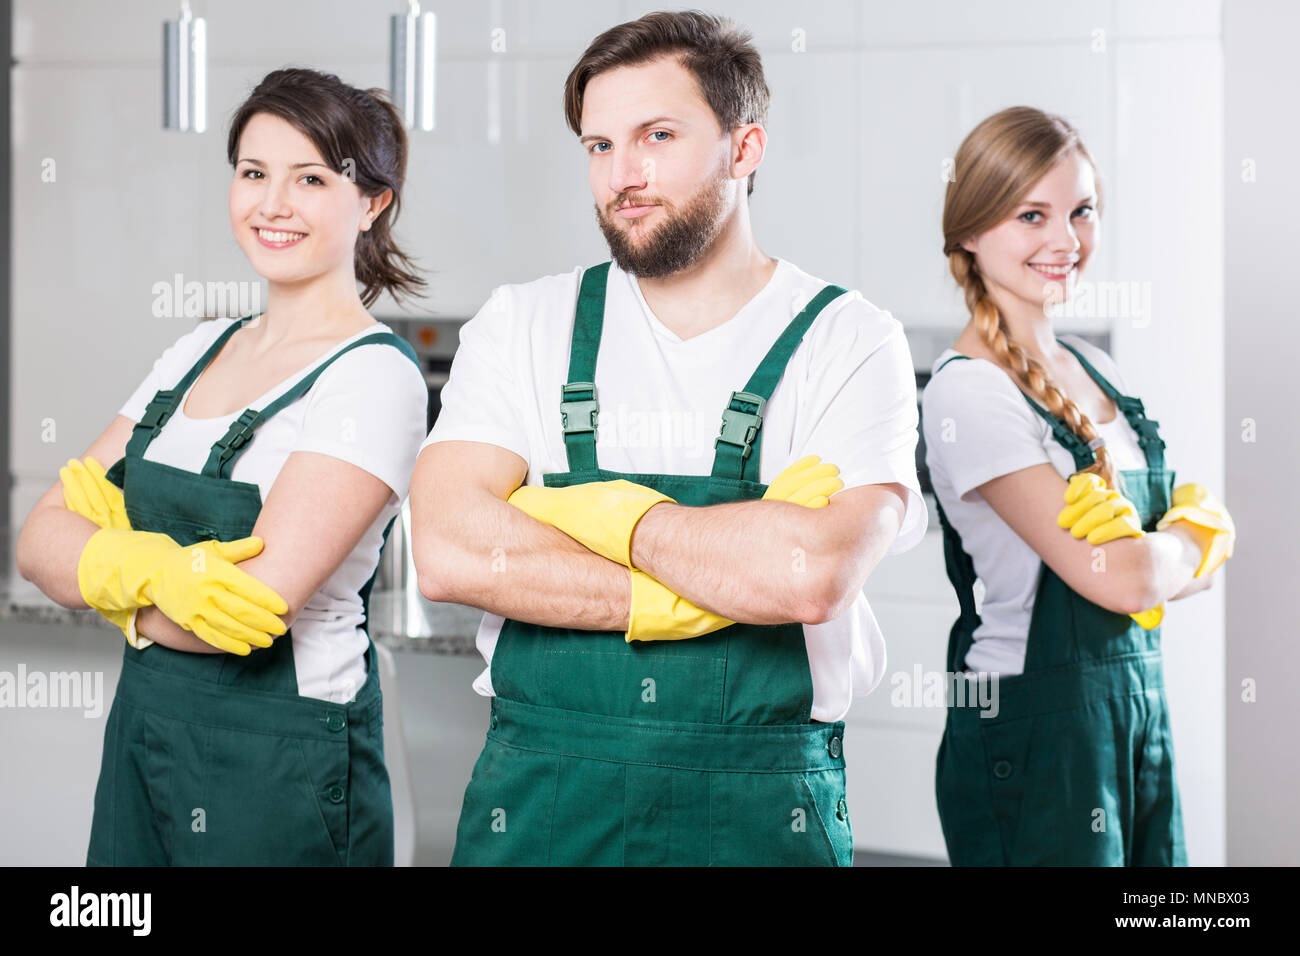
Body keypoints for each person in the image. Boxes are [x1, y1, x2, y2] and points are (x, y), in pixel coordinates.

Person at [412, 10, 926, 866]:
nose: (624, 175)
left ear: (745, 148)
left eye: (657, 135)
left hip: (761, 810)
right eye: (599, 146)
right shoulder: (522, 324)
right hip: (541, 804)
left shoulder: (849, 339)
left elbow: (810, 574)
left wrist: (610, 518)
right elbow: (449, 551)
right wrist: (709, 578)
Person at [15, 67, 429, 866]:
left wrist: (104, 575)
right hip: (143, 738)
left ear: (373, 201)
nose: (272, 204)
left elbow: (248, 611)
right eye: (252, 173)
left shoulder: (374, 376)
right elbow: (38, 540)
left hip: (283, 765)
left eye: (310, 178)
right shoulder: (193, 349)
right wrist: (150, 575)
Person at [922, 106, 1237, 866]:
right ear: (970, 229)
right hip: (1034, 737)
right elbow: (1124, 580)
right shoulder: (969, 393)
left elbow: (1131, 577)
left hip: (1133, 715)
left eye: (1081, 211)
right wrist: (1199, 538)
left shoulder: (1101, 373)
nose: (1066, 241)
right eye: (1032, 215)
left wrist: (1149, 561)